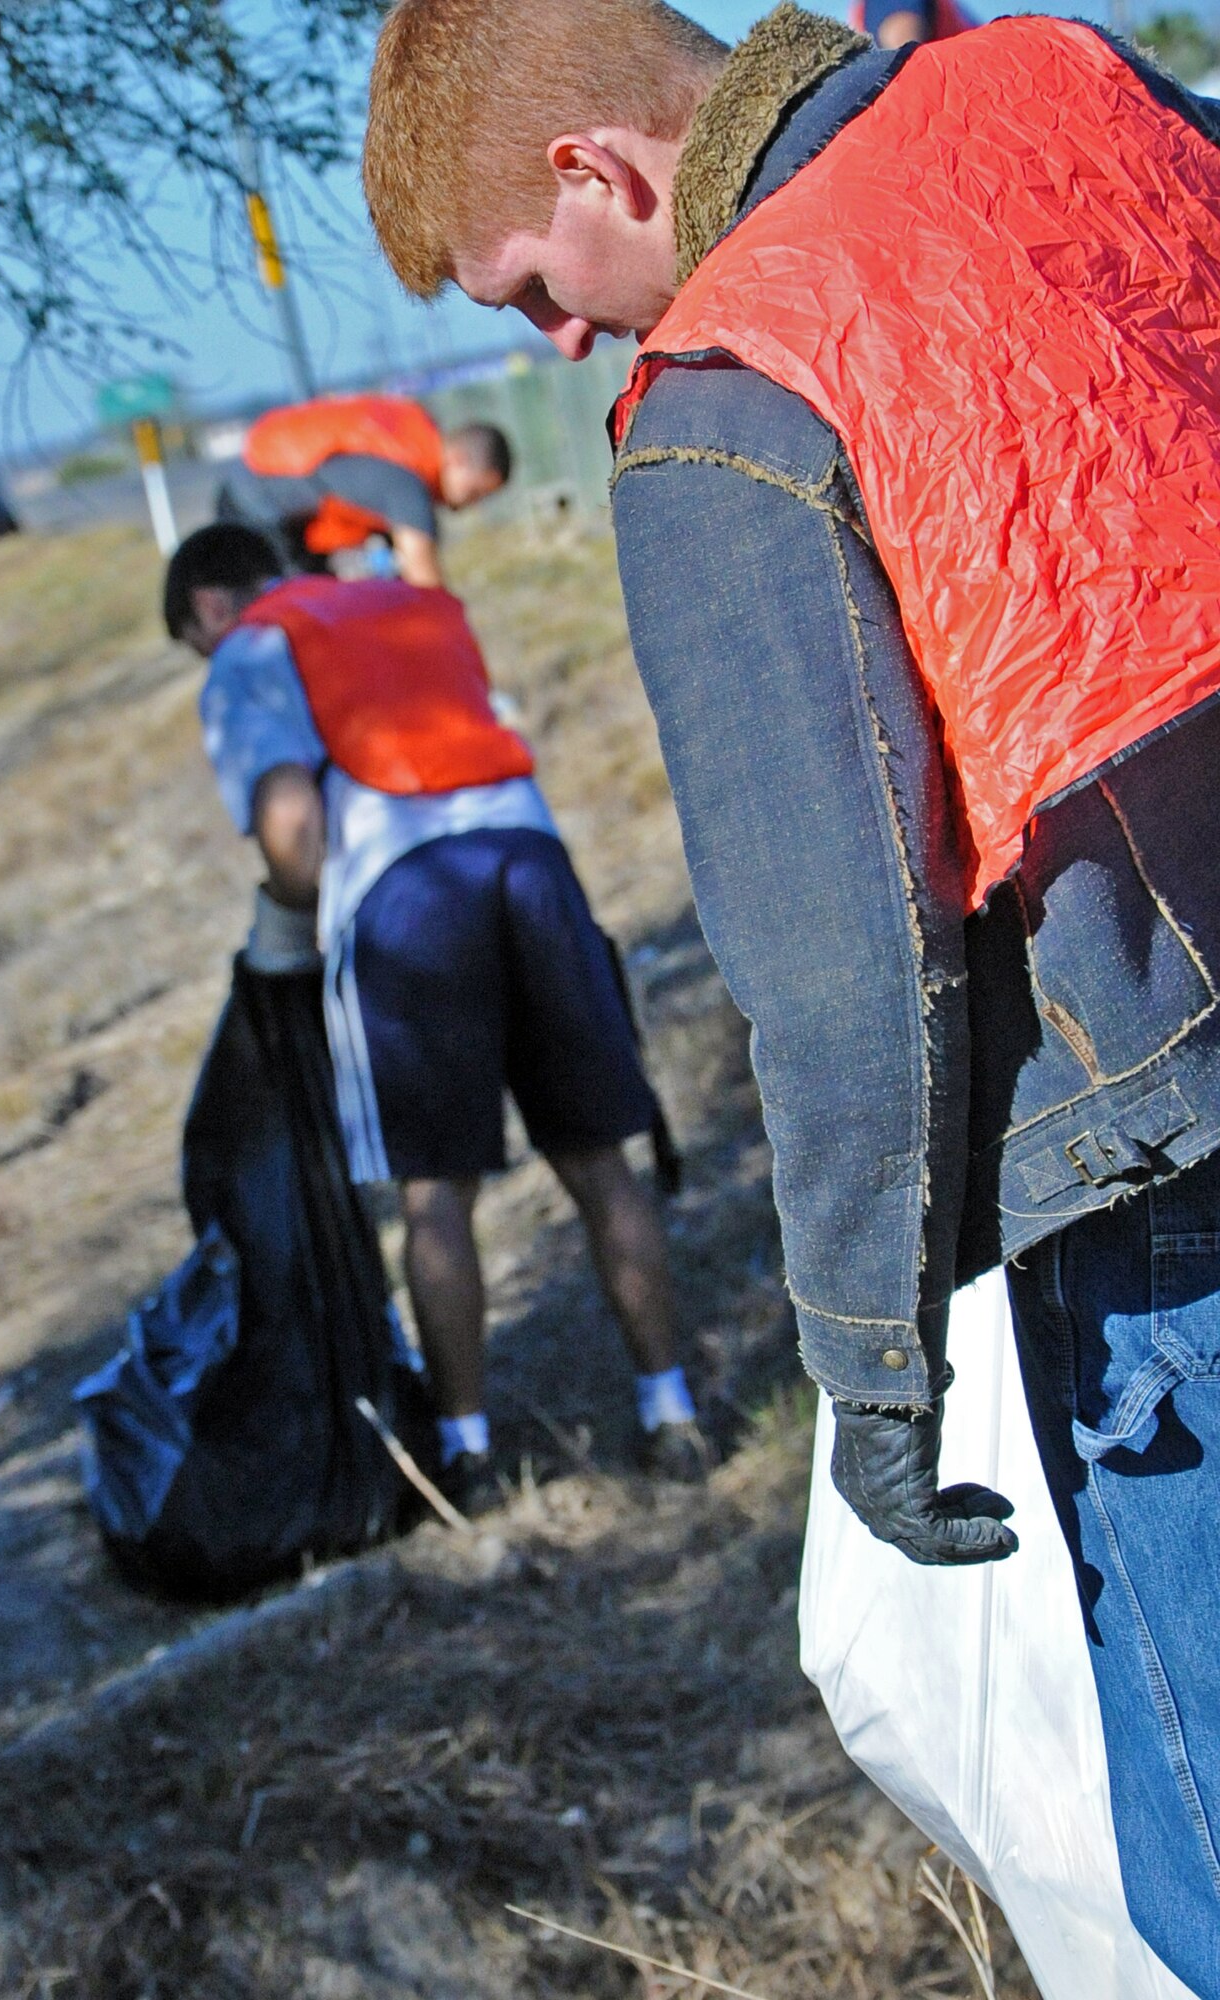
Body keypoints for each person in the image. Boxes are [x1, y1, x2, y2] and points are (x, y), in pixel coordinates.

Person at [362, 1, 1220, 1986]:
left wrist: (872, 1370)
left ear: (600, 170)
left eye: (529, 294)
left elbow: (838, 972)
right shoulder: (1063, 84)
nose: (563, 343)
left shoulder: (737, 383)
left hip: (1169, 1173)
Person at [163, 522, 707, 1516]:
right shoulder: (405, 602)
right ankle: (668, 1405)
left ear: (207, 606)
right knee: (596, 1160)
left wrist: (297, 917)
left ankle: (464, 1448)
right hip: (531, 861)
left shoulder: (248, 646)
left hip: (406, 897)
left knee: (434, 1194)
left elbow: (291, 824)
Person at [216, 392, 511, 588]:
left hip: (257, 495)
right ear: (457, 460)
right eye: (475, 493)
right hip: (257, 515)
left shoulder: (410, 433)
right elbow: (425, 582)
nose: (471, 505)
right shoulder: (408, 483)